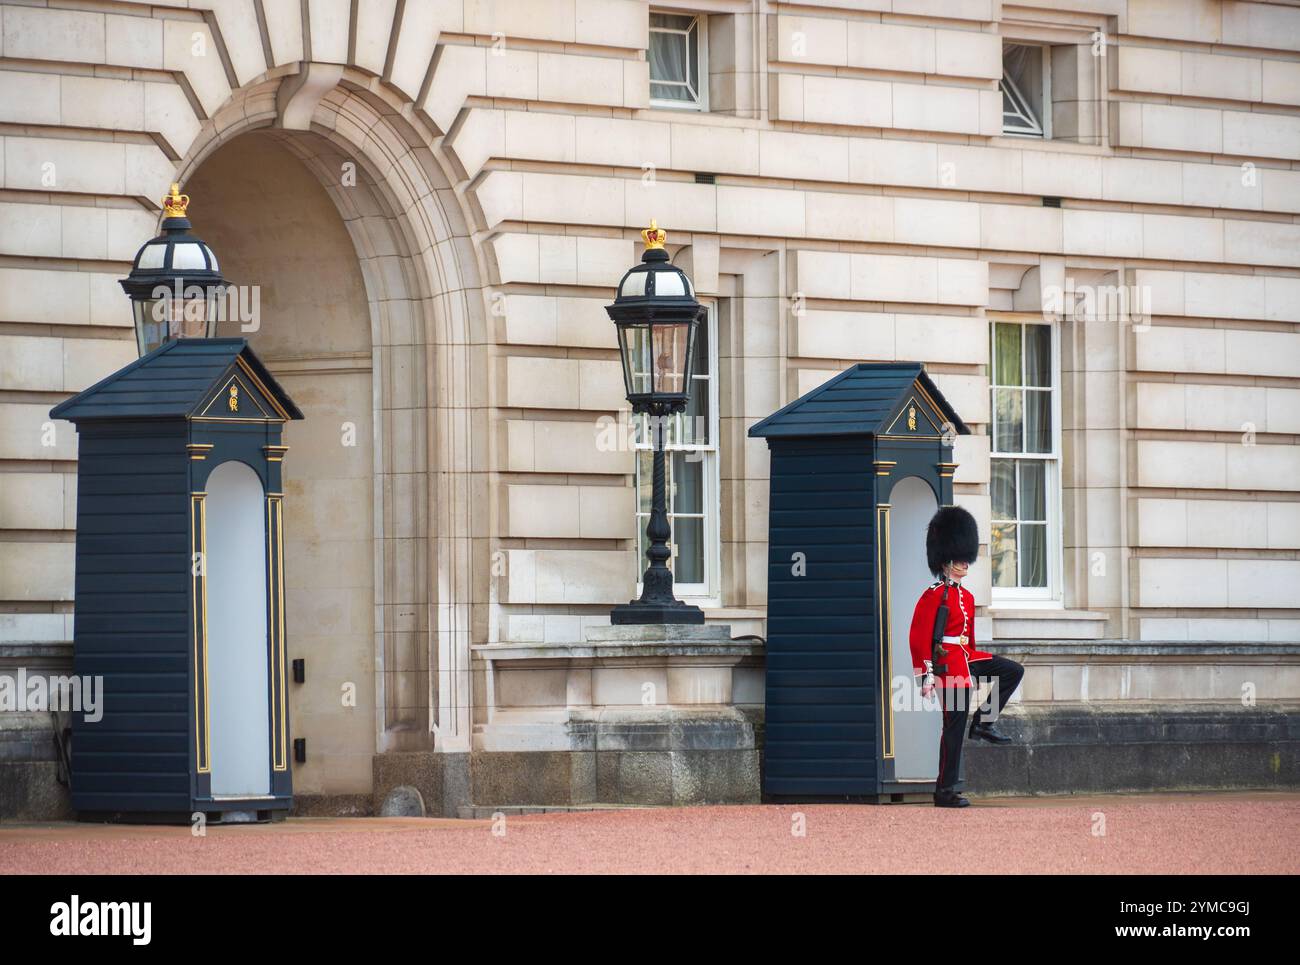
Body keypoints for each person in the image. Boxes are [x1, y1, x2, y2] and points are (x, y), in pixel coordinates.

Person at [908, 505, 1025, 808]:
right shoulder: (933, 595)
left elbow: (968, 639)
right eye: (959, 560)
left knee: (1012, 671)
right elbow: (919, 636)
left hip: (966, 657)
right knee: (953, 729)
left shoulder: (967, 596)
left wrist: (973, 661)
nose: (964, 565)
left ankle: (984, 722)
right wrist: (926, 675)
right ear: (945, 562)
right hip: (947, 665)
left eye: (965, 559)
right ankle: (944, 791)